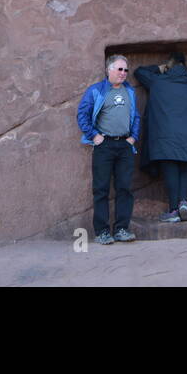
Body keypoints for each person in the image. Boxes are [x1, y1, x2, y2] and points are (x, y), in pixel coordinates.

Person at [135, 51, 187, 223]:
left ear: (168, 66)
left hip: (164, 137)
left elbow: (139, 72)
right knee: (184, 169)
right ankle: (183, 202)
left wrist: (158, 68)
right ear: (183, 65)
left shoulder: (157, 80)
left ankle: (174, 210)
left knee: (170, 172)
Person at [76, 54, 140, 244]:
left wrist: (133, 138)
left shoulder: (130, 91)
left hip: (125, 146)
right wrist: (94, 135)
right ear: (108, 70)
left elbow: (135, 116)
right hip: (104, 145)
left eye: (125, 70)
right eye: (119, 69)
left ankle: (121, 229)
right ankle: (102, 232)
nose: (123, 73)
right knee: (101, 189)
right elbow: (82, 114)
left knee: (125, 188)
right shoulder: (97, 90)